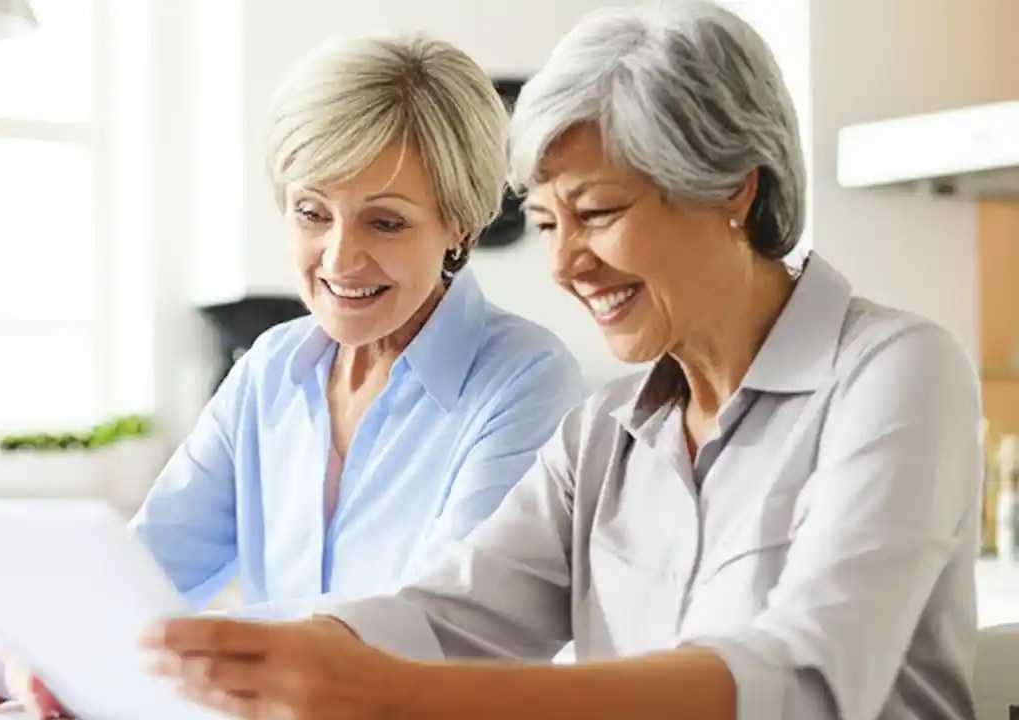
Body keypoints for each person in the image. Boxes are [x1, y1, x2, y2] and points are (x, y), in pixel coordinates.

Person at [141, 3, 983, 719]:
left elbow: (806, 679)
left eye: (599, 211)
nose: (565, 264)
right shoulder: (604, 431)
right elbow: (451, 611)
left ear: (734, 186)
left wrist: (389, 689)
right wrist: (232, 654)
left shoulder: (895, 371)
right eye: (547, 223)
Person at [0, 33, 585, 713]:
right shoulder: (271, 371)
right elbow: (138, 576)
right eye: (313, 213)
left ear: (458, 224)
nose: (339, 260)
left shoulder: (525, 380)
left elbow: (441, 628)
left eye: (386, 223)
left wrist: (133, 652)